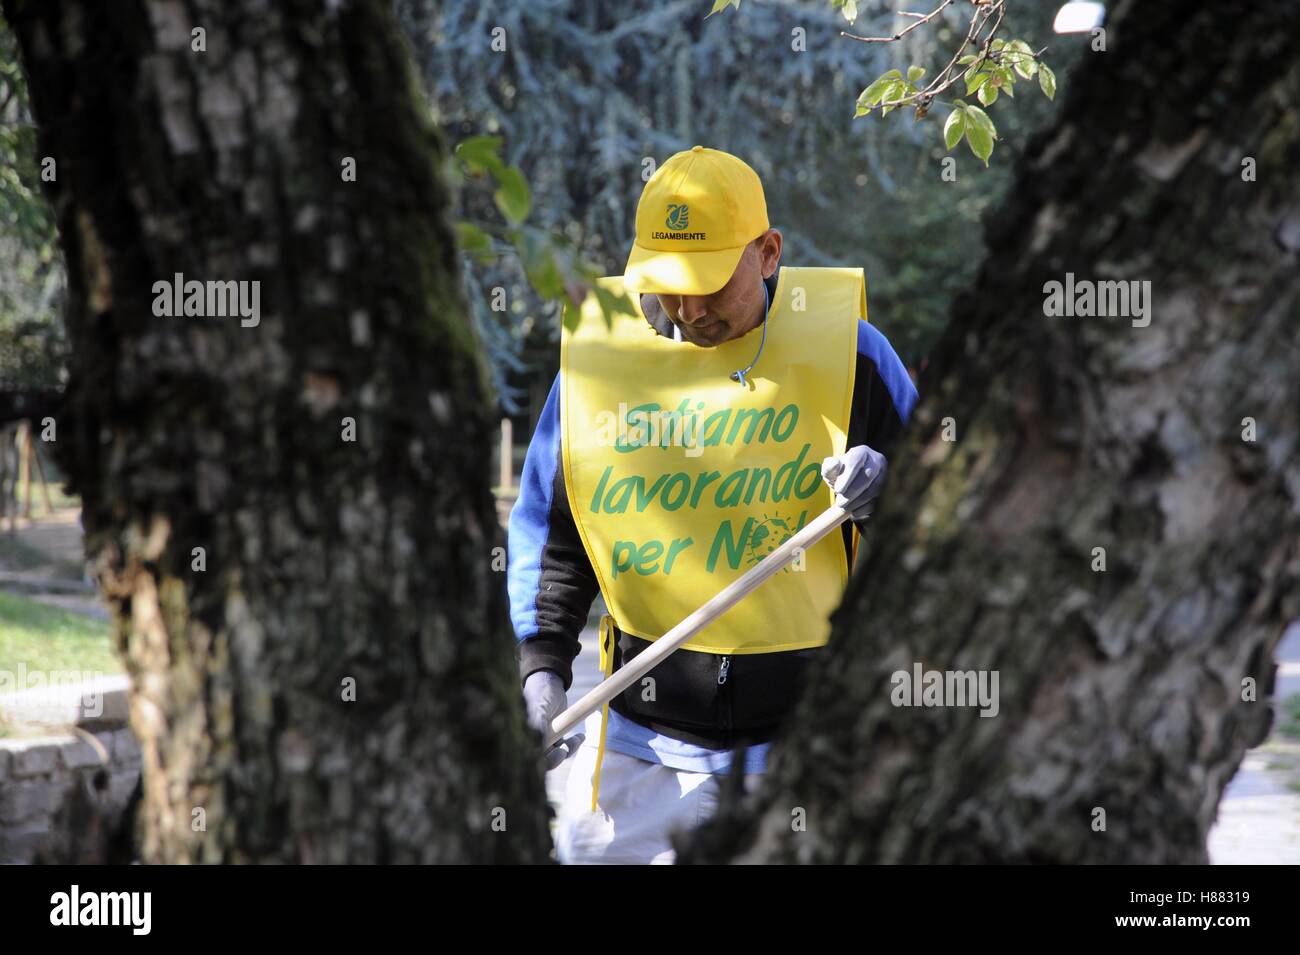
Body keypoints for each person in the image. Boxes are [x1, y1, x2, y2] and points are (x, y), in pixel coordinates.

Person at [506, 146, 917, 863]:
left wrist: (896, 485)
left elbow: (944, 515)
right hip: (636, 754)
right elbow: (554, 535)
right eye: (668, 286)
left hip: (806, 749)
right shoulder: (599, 364)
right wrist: (540, 672)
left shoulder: (853, 355)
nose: (689, 309)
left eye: (708, 283)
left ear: (767, 252)